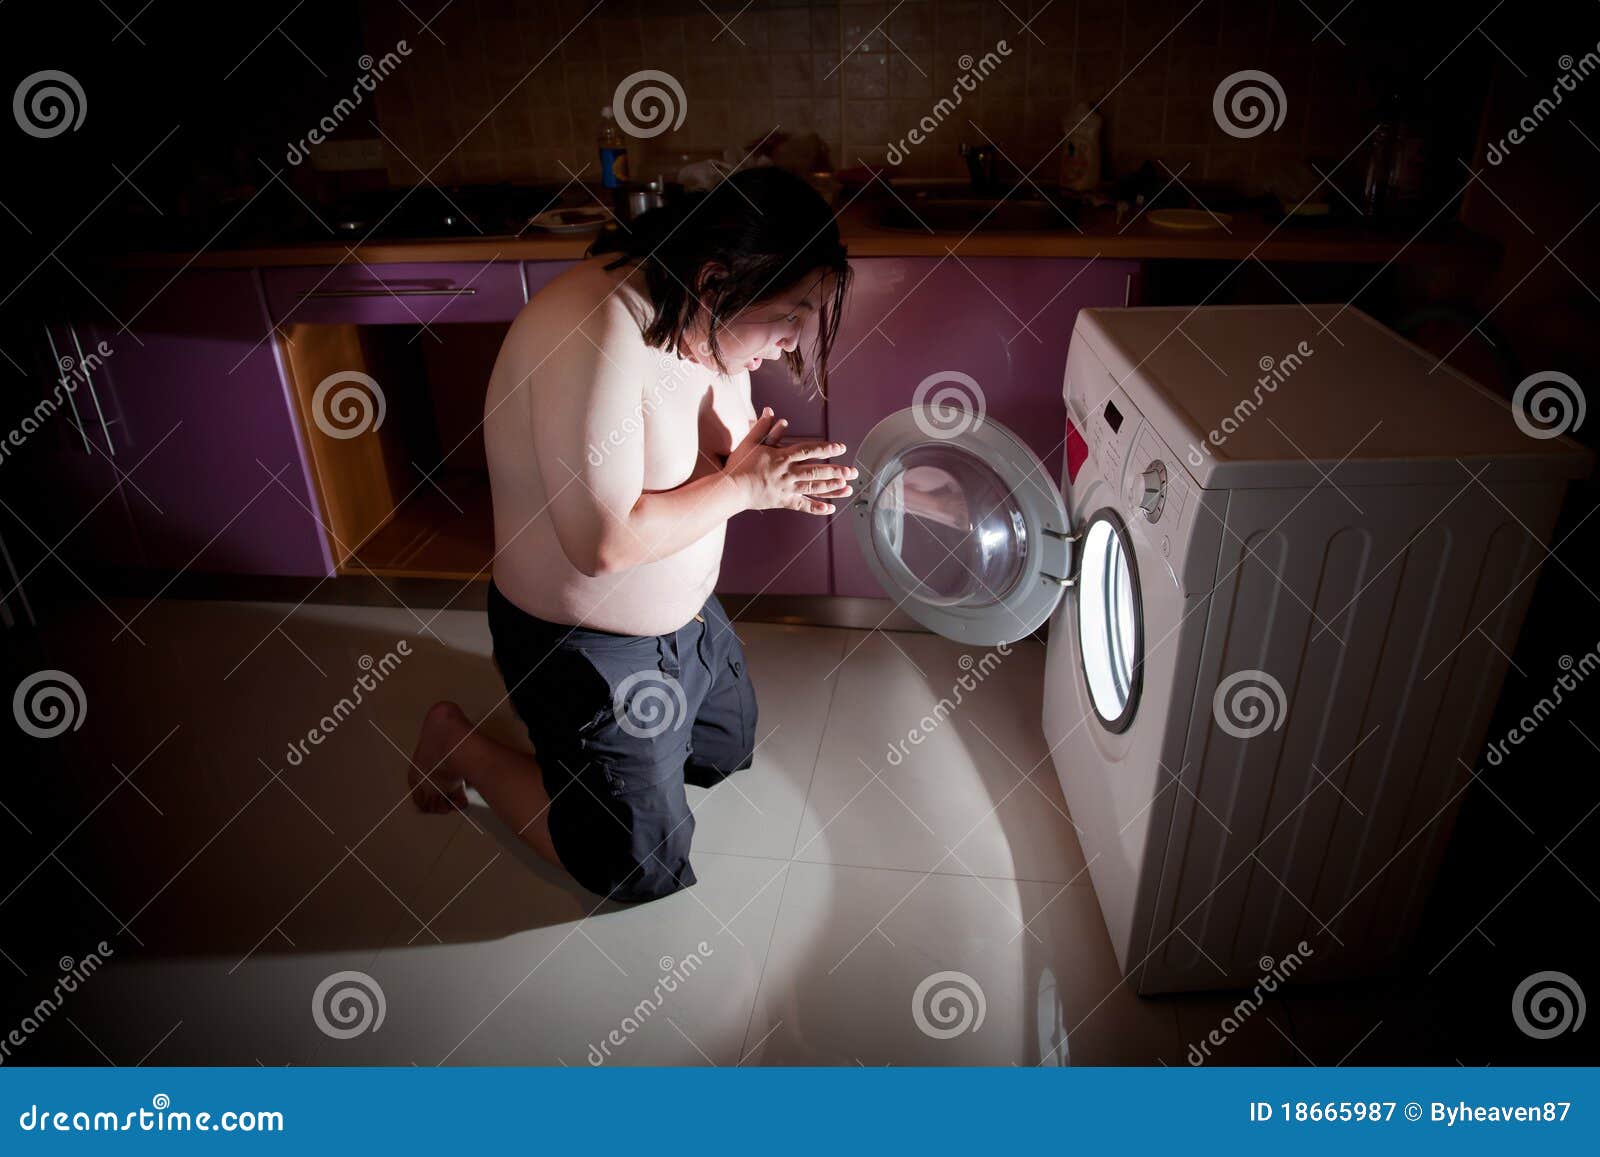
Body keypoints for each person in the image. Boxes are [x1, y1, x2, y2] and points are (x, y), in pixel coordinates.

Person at [408, 166, 854, 903]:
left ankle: (608, 760)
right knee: (633, 867)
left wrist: (784, 474)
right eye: (789, 315)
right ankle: (457, 742)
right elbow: (602, 544)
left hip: (690, 624)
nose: (790, 343)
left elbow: (726, 450)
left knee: (723, 751)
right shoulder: (595, 329)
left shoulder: (704, 319)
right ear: (717, 278)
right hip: (583, 643)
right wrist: (747, 487)